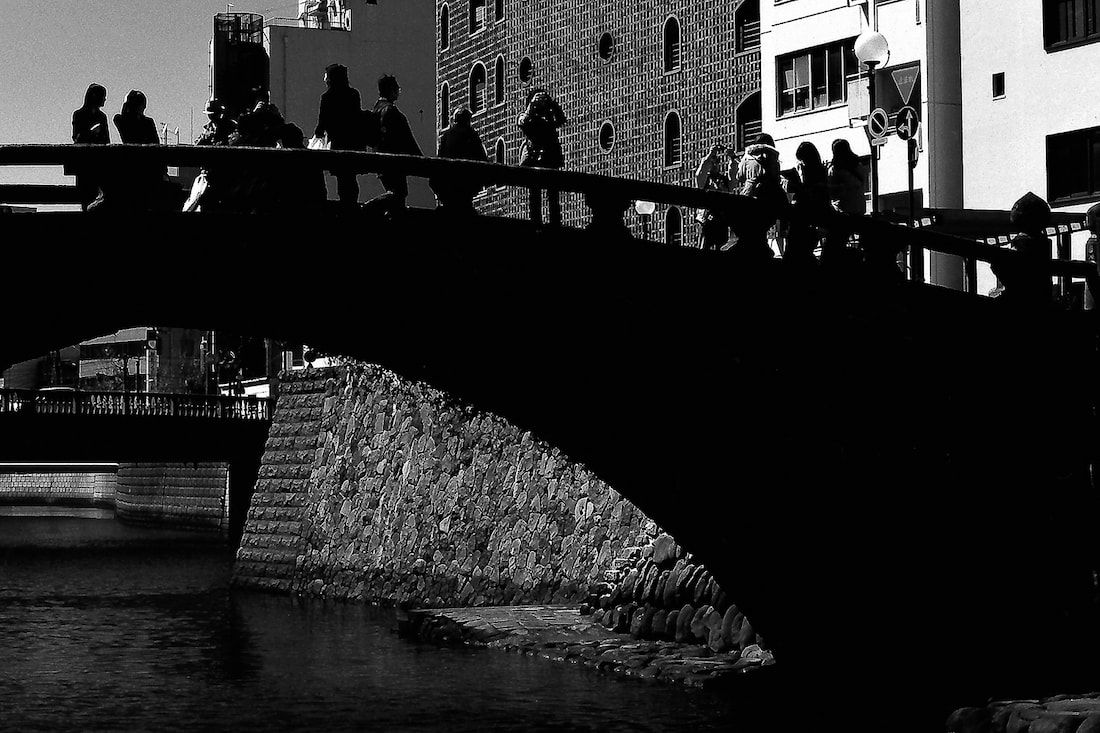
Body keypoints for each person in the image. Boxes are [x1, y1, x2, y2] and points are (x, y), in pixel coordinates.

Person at [366, 74, 423, 217]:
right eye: (397, 88)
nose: (398, 91)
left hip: (380, 162)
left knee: (396, 198)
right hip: (394, 162)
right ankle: (368, 208)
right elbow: (406, 139)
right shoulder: (391, 111)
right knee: (399, 194)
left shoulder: (376, 109)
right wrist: (420, 159)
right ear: (391, 89)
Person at [313, 63, 364, 206]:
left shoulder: (327, 97)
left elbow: (322, 123)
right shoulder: (354, 94)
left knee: (342, 178)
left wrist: (318, 136)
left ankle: (345, 207)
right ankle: (351, 205)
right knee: (350, 178)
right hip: (353, 143)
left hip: (337, 142)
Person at [518, 88, 566, 227]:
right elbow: (522, 122)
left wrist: (552, 105)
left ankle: (554, 223)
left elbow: (561, 120)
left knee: (553, 194)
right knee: (535, 194)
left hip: (549, 157)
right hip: (534, 158)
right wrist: (531, 106)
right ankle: (536, 223)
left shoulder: (548, 119)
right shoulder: (528, 118)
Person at [734, 132, 785, 260]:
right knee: (763, 228)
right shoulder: (774, 158)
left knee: (750, 228)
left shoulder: (747, 158)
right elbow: (776, 178)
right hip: (770, 197)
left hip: (749, 195)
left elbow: (739, 177)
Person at [431, 107, 488, 215]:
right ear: (468, 120)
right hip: (465, 186)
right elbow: (482, 159)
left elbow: (439, 160)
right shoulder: (471, 134)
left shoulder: (446, 136)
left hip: (447, 187)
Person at [783, 141, 830, 264]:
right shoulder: (820, 170)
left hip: (807, 212)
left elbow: (807, 191)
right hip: (815, 212)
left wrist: (797, 179)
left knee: (795, 243)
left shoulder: (811, 172)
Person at [823, 138, 867, 265]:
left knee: (832, 248)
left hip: (842, 213)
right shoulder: (859, 167)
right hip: (859, 211)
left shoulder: (835, 170)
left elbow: (831, 192)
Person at [71, 83, 110, 210]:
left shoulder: (102, 117)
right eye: (103, 96)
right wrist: (92, 133)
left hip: (100, 163)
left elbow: (106, 140)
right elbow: (77, 138)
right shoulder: (79, 114)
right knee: (86, 197)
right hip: (85, 163)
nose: (104, 99)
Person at [694, 144, 735, 250]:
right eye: (712, 162)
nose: (714, 165)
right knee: (704, 246)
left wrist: (732, 158)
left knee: (721, 247)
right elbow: (700, 173)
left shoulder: (724, 180)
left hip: (721, 220)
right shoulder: (704, 180)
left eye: (716, 162)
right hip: (706, 220)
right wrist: (711, 154)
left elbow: (734, 178)